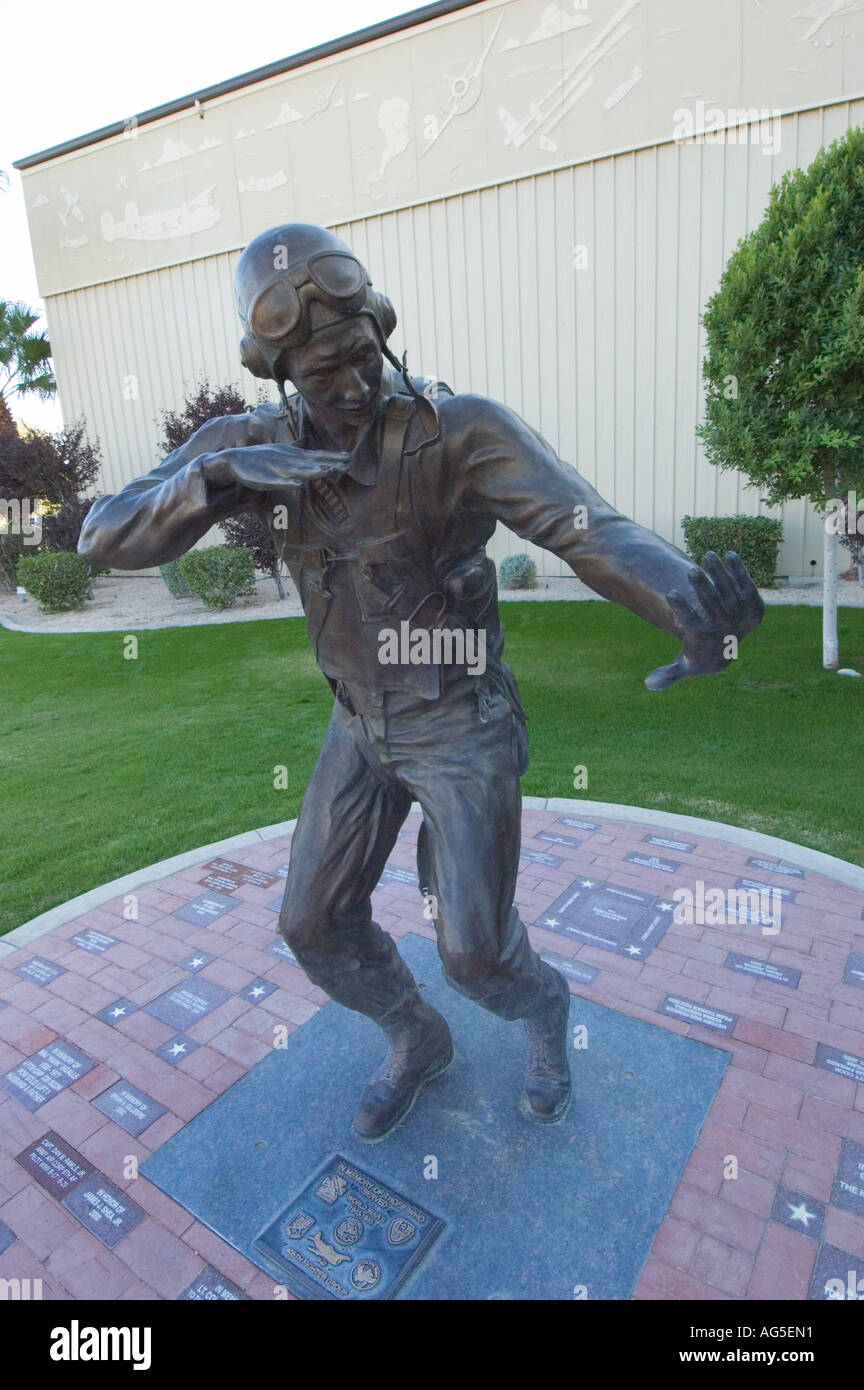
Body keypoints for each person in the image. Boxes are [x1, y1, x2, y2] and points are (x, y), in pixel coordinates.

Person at [78, 223, 764, 1141]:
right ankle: (416, 1036)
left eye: (363, 357)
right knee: (313, 926)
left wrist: (693, 607)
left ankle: (545, 1010)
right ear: (278, 375)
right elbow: (104, 537)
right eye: (324, 377)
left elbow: (587, 528)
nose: (354, 388)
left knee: (476, 954)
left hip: (460, 725)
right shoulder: (250, 447)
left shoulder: (458, 433)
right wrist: (216, 474)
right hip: (359, 727)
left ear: (383, 328)